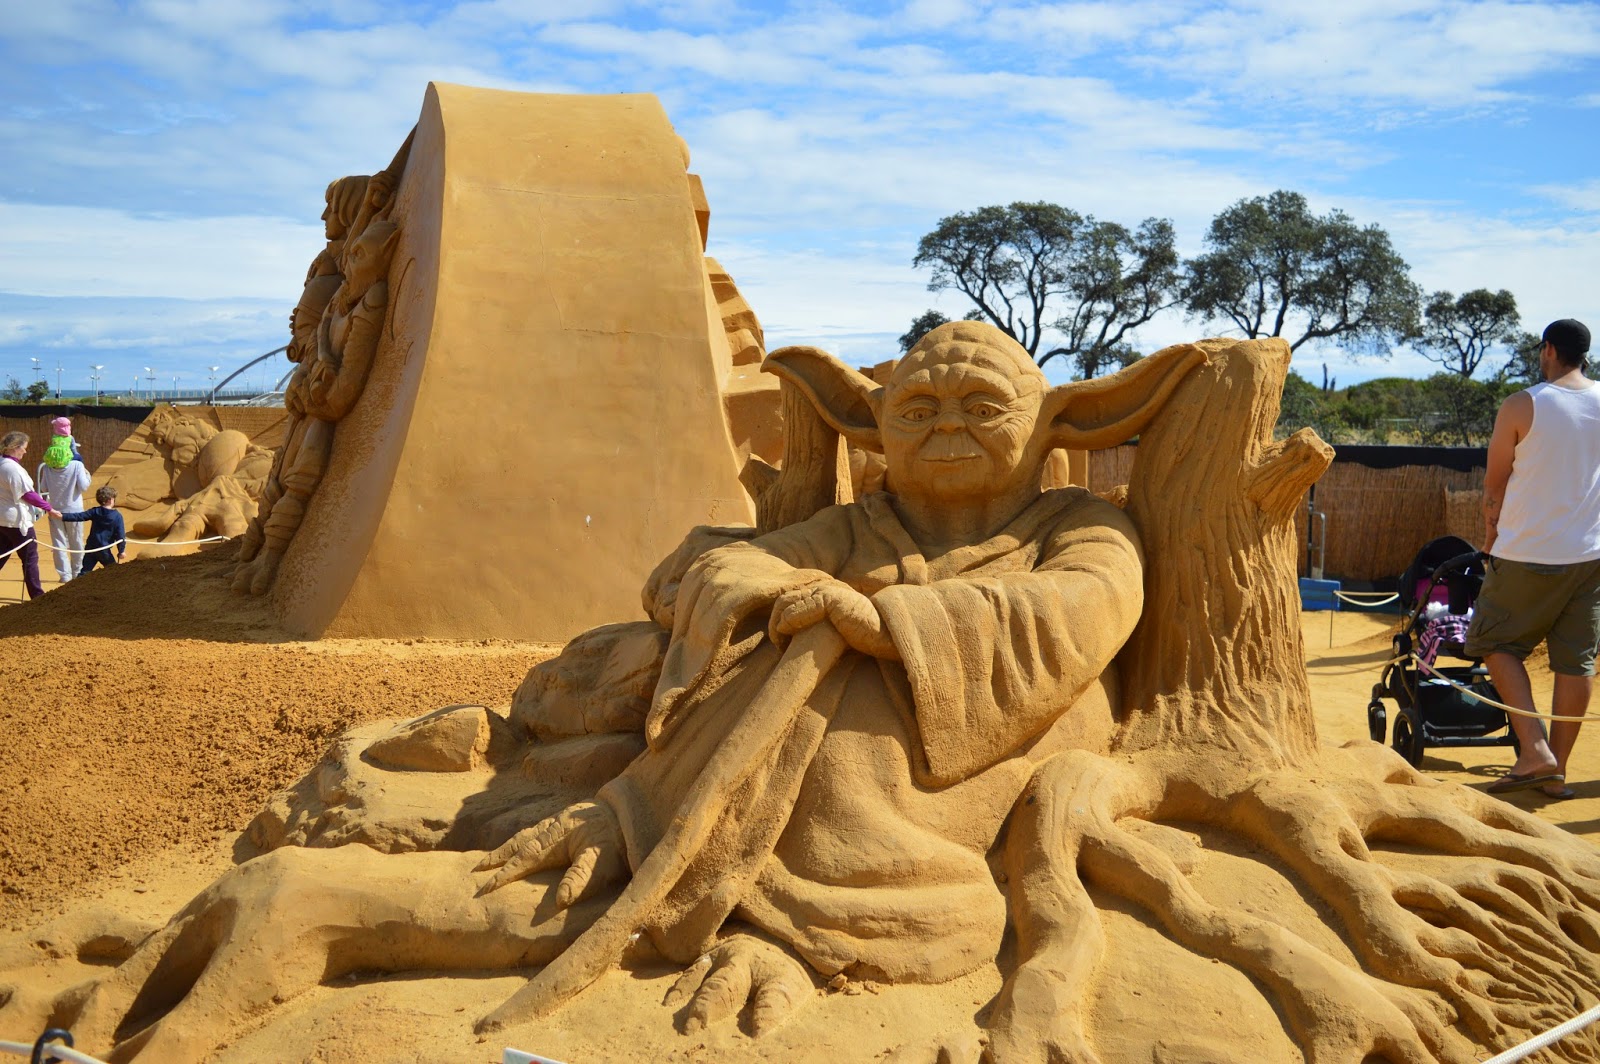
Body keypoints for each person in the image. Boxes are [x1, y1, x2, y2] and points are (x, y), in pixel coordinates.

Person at [1467, 319, 1600, 798]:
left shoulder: (1523, 404)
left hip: (1526, 550)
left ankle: (1535, 751)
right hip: (1589, 555)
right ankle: (1555, 772)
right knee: (1576, 661)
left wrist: (1489, 534)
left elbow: (1495, 483)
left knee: (1493, 640)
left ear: (1548, 350)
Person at [0, 431, 56, 599]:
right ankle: (38, 597)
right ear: (15, 447)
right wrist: (49, 507)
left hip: (3, 519)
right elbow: (27, 494)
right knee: (30, 558)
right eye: (23, 448)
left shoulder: (2, 463)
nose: (25, 451)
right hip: (16, 522)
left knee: (2, 553)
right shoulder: (11, 468)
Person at [36, 430, 91, 584]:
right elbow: (84, 486)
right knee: (76, 542)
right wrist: (87, 475)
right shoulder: (77, 465)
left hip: (55, 510)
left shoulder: (47, 467)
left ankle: (65, 575)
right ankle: (77, 573)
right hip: (75, 511)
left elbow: (43, 487)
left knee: (58, 544)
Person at [52, 485, 125, 574]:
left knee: (84, 572)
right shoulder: (117, 516)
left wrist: (63, 516)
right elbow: (120, 535)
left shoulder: (95, 511)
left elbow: (79, 516)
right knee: (114, 571)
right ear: (110, 500)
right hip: (104, 550)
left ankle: (78, 583)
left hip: (90, 548)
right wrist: (121, 551)